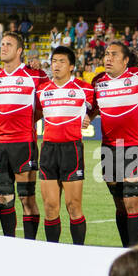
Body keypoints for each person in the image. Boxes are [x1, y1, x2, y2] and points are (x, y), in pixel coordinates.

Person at [92, 41, 138, 247]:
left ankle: (136, 250)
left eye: (114, 55)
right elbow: (90, 108)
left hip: (133, 147)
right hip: (108, 148)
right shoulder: (98, 81)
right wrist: (85, 116)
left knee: (132, 202)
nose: (108, 58)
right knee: (119, 204)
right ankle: (126, 249)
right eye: (106, 54)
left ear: (126, 60)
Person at [0, 31, 46, 239]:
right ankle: (9, 243)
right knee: (4, 198)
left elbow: (42, 106)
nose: (3, 47)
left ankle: (30, 246)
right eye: (2, 44)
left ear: (19, 50)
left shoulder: (35, 75)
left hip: (24, 145)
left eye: (9, 44)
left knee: (27, 199)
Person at [37, 46, 95, 244]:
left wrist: (88, 116)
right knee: (50, 207)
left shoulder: (84, 88)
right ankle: (53, 252)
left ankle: (78, 251)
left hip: (71, 149)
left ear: (71, 66)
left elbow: (95, 108)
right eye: (54, 61)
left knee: (73, 206)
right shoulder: (43, 89)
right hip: (48, 150)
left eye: (62, 61)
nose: (57, 65)